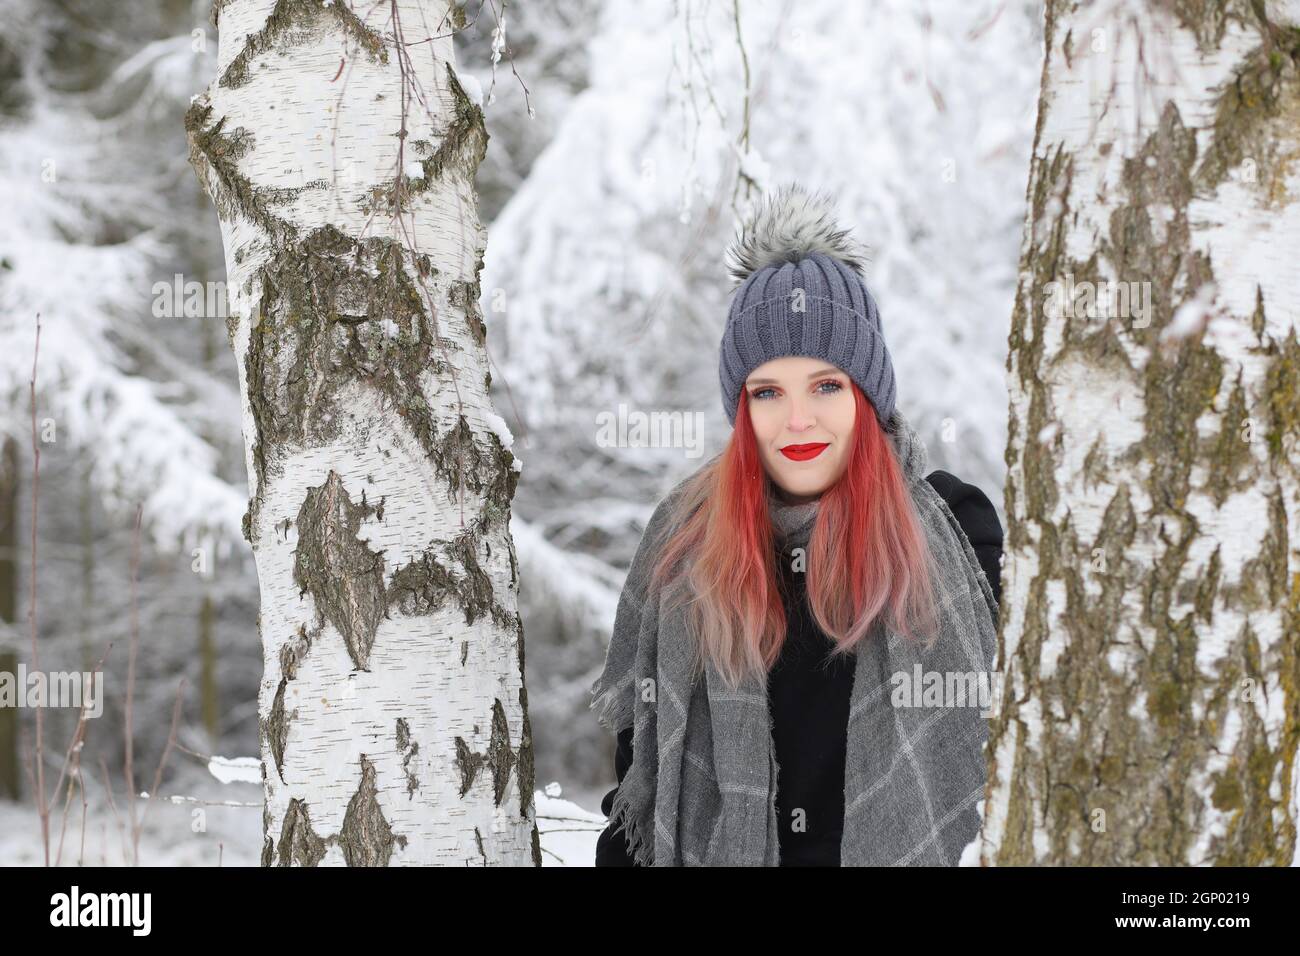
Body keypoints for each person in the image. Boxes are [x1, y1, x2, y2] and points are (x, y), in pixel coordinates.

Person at [590, 183, 1003, 867]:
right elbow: (643, 787)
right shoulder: (684, 546)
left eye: (826, 385)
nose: (799, 419)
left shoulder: (957, 527)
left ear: (868, 395)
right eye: (768, 392)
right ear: (742, 408)